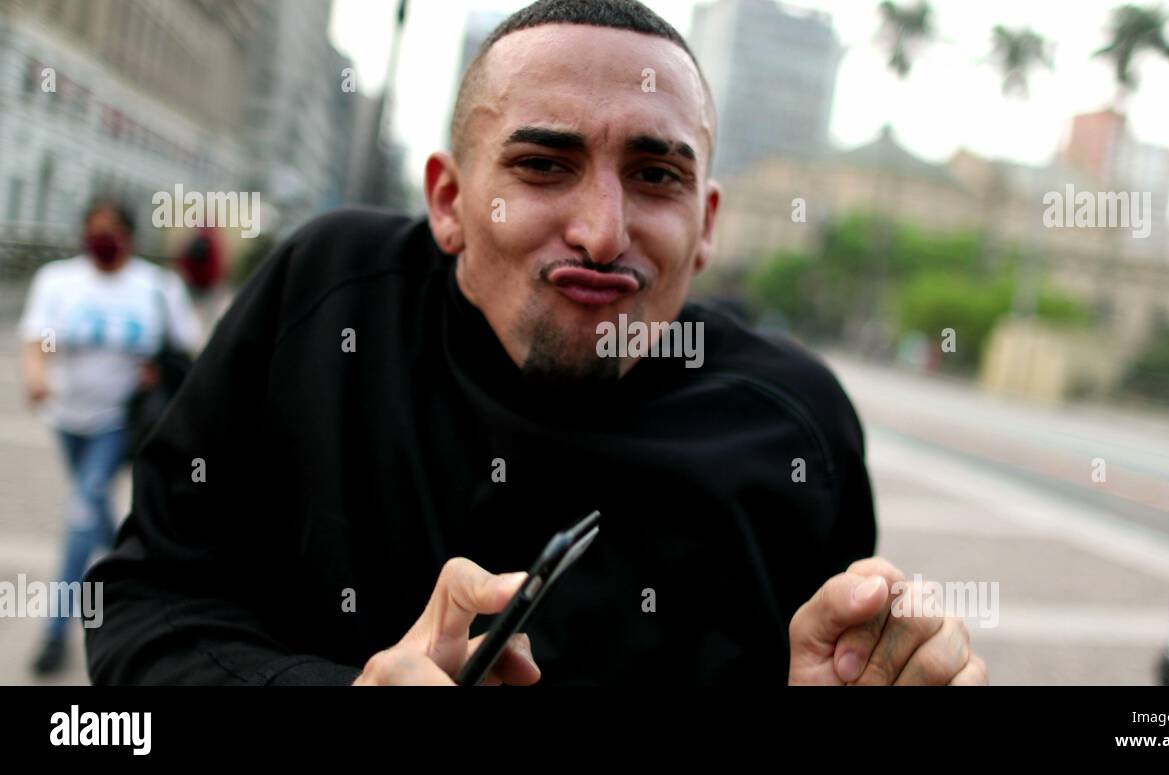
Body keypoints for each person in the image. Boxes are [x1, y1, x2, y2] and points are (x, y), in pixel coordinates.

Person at [85, 0, 986, 686]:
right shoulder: (329, 302)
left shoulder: (797, 426)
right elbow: (141, 611)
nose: (602, 231)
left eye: (656, 176)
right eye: (543, 165)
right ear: (447, 199)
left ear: (705, 225)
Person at [19, 198, 200, 675]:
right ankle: (129, 557)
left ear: (128, 235)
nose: (101, 238)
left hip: (120, 423)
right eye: (93, 229)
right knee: (93, 509)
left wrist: (156, 370)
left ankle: (56, 630)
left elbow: (187, 350)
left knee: (81, 511)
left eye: (110, 230)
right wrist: (36, 376)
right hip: (67, 419)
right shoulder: (59, 281)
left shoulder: (156, 288)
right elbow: (38, 340)